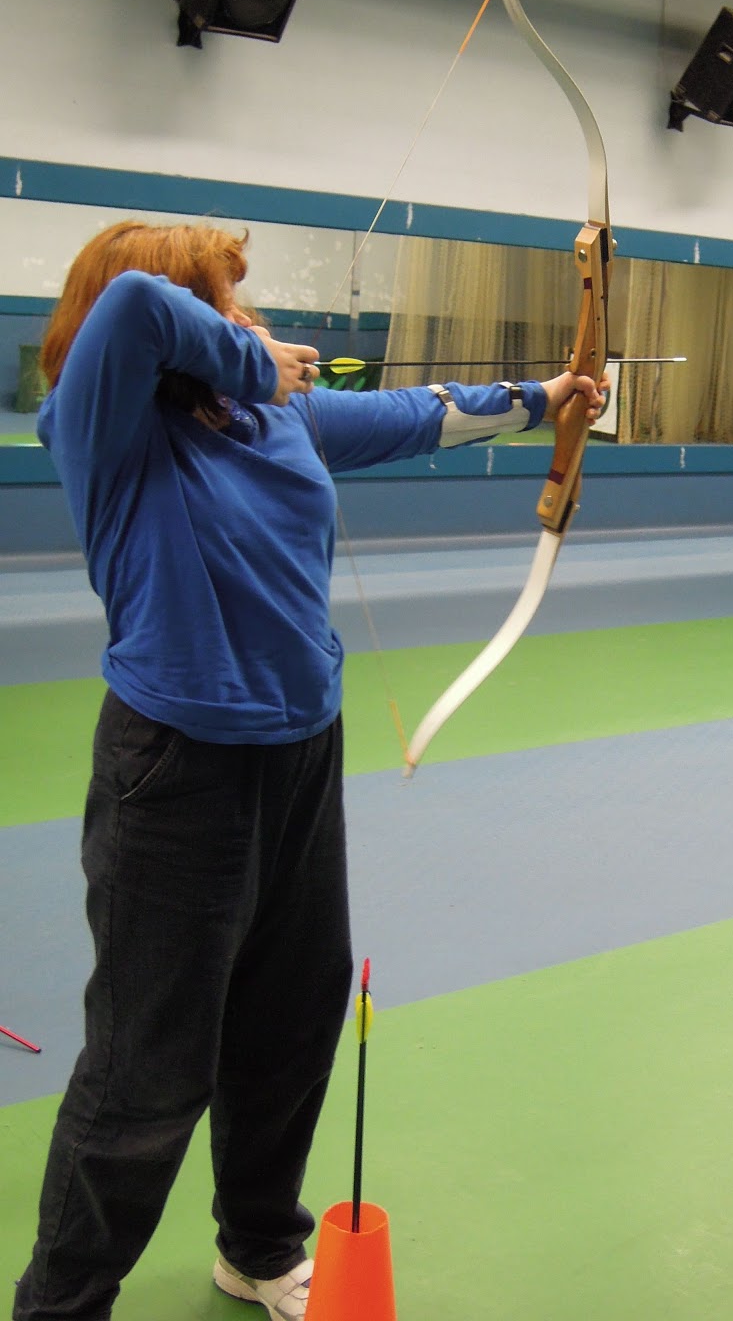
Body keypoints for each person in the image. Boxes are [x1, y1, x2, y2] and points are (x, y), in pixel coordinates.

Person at [14, 220, 605, 1321]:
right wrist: (248, 355)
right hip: (176, 769)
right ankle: (61, 1303)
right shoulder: (103, 420)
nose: (250, 323)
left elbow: (411, 415)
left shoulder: (267, 412)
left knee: (292, 1013)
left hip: (300, 754)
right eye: (227, 304)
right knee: (148, 1067)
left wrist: (546, 398)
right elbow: (138, 316)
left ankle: (257, 1245)